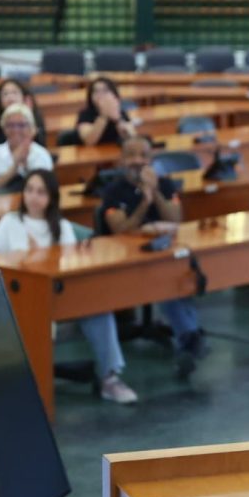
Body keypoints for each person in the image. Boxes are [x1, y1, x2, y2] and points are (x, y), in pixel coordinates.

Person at [0, 169, 138, 404]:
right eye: (29, 190)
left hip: (60, 301)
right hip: (22, 303)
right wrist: (24, 260)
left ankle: (110, 378)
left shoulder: (61, 227)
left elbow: (68, 270)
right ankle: (33, 388)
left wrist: (40, 258)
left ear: (52, 198)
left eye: (41, 192)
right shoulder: (10, 222)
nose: (33, 197)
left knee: (99, 311)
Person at [99, 135, 206, 379]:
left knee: (179, 276)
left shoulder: (165, 184)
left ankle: (188, 339)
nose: (137, 161)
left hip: (161, 255)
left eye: (143, 155)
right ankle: (190, 336)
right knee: (166, 280)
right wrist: (144, 204)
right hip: (124, 261)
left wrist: (155, 192)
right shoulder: (113, 191)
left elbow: (175, 219)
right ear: (122, 160)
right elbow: (119, 229)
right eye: (131, 155)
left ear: (151, 159)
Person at [0, 104, 53, 196]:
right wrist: (14, 168)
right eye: (10, 125)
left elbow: (46, 190)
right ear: (4, 128)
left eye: (21, 125)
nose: (16, 130)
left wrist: (26, 166)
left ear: (31, 128)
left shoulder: (41, 154)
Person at [0, 78, 47, 149]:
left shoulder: (34, 115)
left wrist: (29, 117)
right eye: (5, 94)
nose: (10, 98)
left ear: (24, 97)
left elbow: (41, 144)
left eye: (15, 93)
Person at [77, 77, 137, 146]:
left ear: (114, 94)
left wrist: (117, 120)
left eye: (105, 91)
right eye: (96, 91)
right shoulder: (85, 114)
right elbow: (89, 141)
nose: (100, 94)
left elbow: (131, 139)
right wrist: (104, 116)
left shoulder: (120, 113)